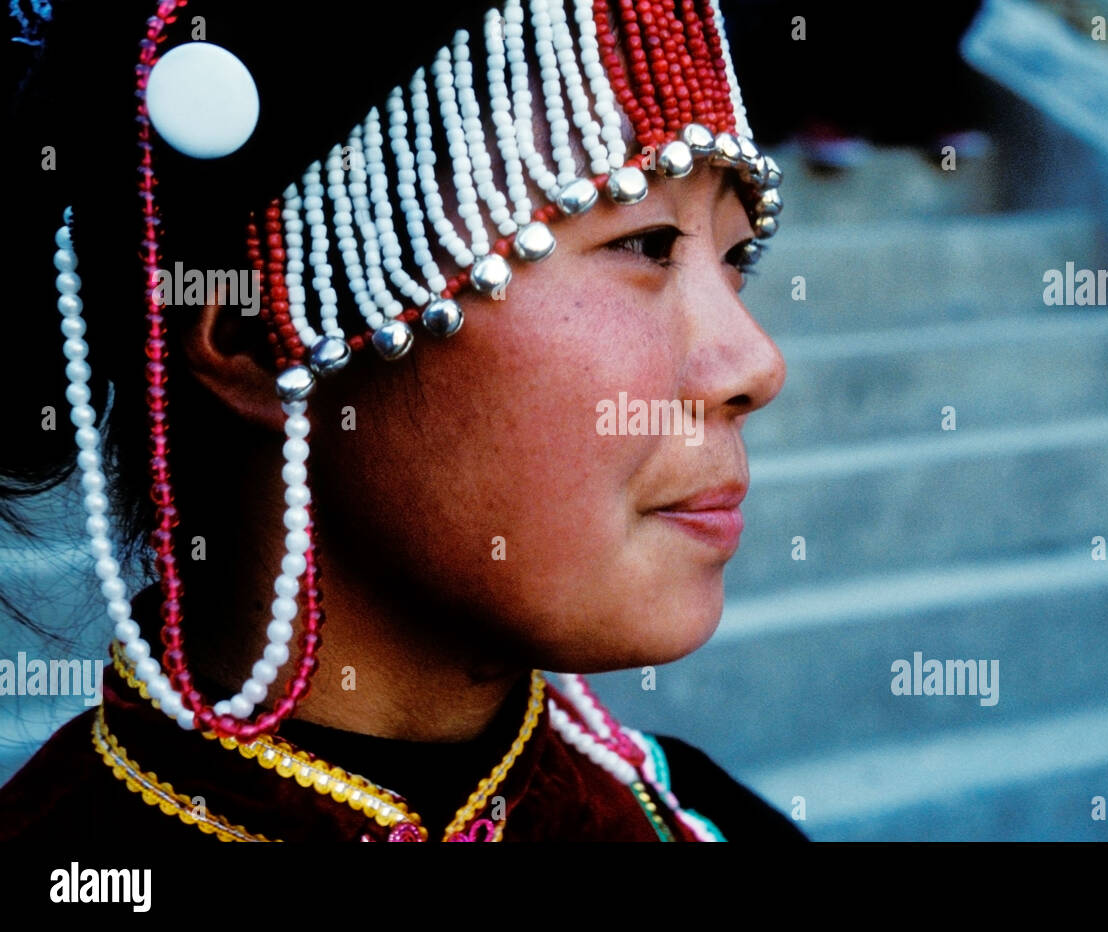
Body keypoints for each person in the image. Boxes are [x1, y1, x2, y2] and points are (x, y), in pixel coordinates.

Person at [0, 0, 803, 842]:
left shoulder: (697, 821)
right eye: (643, 242)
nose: (755, 364)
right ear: (261, 336)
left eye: (738, 256)